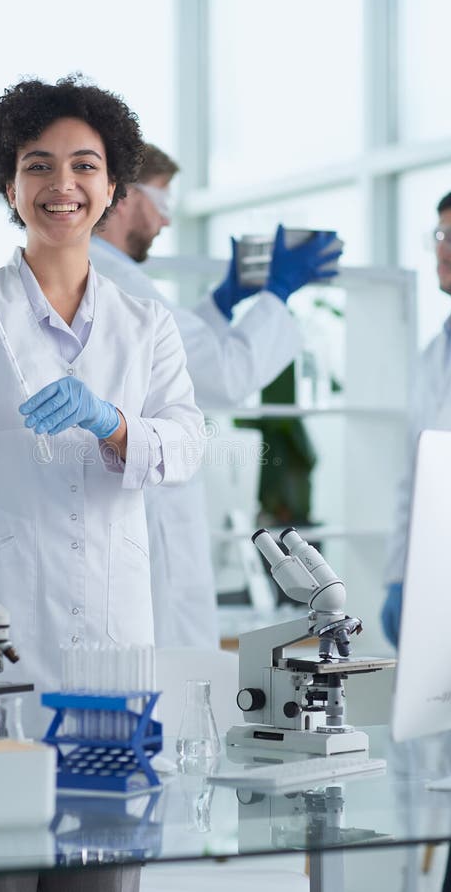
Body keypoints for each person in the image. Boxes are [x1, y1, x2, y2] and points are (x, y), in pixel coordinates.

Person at [0, 75, 204, 762]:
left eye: (84, 166)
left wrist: (112, 421)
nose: (63, 184)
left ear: (113, 187)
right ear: (10, 188)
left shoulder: (146, 324)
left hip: (110, 638)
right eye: (38, 166)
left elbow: (185, 447)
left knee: (108, 816)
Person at [91, 144, 341, 647]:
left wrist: (221, 304)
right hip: (147, 508)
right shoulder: (122, 282)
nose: (166, 220)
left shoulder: (108, 275)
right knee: (172, 659)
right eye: (163, 201)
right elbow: (225, 377)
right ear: (125, 196)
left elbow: (174, 360)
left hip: (134, 501)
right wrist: (278, 293)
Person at [381, 184, 451, 648]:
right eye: (440, 236)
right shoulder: (434, 351)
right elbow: (414, 470)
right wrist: (397, 575)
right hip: (437, 572)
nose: (444, 249)